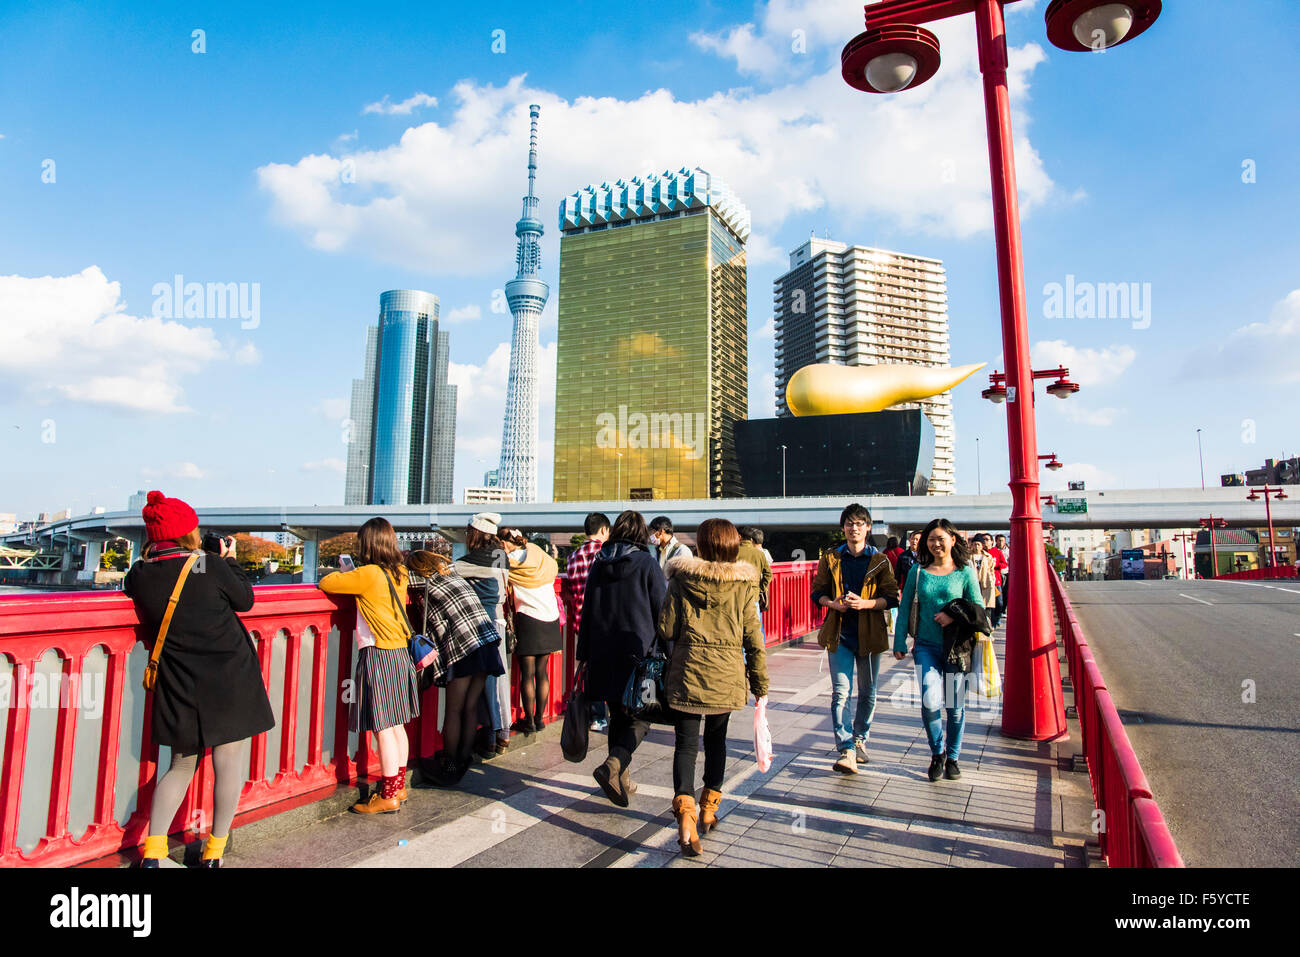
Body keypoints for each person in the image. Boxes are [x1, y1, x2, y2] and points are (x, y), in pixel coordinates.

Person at [126, 491, 275, 868]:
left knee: (180, 764)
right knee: (227, 764)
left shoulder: (140, 575)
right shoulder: (207, 565)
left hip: (179, 681)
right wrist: (228, 560)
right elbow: (245, 600)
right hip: (230, 677)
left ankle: (154, 853)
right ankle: (213, 854)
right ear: (187, 532)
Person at [659, 518, 768, 857]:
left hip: (688, 672)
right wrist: (760, 684)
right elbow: (753, 639)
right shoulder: (744, 585)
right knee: (716, 741)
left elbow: (666, 628)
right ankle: (709, 808)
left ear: (702, 545)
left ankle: (686, 818)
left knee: (686, 745)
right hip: (726, 674)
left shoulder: (680, 579)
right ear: (733, 545)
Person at [318, 518, 420, 813]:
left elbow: (327, 581)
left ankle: (387, 795)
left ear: (368, 544)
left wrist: (347, 571)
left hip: (379, 654)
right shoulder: (398, 571)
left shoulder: (368, 573)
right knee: (397, 725)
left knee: (382, 728)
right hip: (400, 652)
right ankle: (398, 788)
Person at [576, 510, 667, 807]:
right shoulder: (647, 563)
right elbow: (662, 611)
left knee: (617, 714)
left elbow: (587, 609)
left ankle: (622, 779)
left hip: (603, 651)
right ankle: (613, 765)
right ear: (641, 534)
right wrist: (669, 648)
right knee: (642, 717)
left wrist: (584, 654)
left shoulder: (599, 564)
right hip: (639, 654)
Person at [893, 518, 986, 783]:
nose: (935, 544)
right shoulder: (918, 572)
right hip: (925, 645)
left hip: (957, 648)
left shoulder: (965, 571)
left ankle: (953, 758)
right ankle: (938, 753)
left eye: (940, 539)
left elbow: (978, 608)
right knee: (930, 700)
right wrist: (900, 641)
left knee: (955, 708)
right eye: (931, 539)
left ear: (953, 540)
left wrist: (952, 616)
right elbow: (904, 606)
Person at [810, 503, 900, 773]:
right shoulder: (831, 558)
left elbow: (892, 597)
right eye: (849, 523)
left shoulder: (880, 560)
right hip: (840, 633)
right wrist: (832, 604)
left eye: (860, 523)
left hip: (870, 634)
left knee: (868, 692)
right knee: (840, 692)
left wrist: (867, 604)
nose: (854, 528)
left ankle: (860, 739)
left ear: (868, 527)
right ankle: (846, 747)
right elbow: (817, 593)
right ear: (843, 528)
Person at [407, 550, 506, 786]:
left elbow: (403, 583)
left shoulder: (429, 585)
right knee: (470, 707)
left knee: (453, 709)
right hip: (486, 641)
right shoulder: (454, 575)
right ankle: (464, 758)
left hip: (464, 648)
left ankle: (450, 765)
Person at [454, 513, 512, 757]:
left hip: (483, 622)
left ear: (475, 533)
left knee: (486, 680)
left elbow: (450, 570)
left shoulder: (475, 560)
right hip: (500, 617)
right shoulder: (501, 555)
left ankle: (489, 735)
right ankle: (503, 733)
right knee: (500, 680)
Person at [500, 526, 563, 734]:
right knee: (541, 672)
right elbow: (554, 569)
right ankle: (540, 718)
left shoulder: (509, 564)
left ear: (506, 543)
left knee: (527, 674)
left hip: (528, 617)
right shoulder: (540, 556)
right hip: (549, 617)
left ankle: (528, 720)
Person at [565, 512, 612, 732]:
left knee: (589, 669)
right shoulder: (605, 553)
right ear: (603, 530)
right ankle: (608, 713)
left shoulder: (573, 556)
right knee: (610, 667)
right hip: (605, 621)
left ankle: (596, 715)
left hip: (581, 622)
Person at [737, 525, 772, 615]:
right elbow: (768, 574)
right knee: (755, 625)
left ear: (739, 537)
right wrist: (761, 588)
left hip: (737, 595)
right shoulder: (759, 554)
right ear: (751, 538)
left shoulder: (733, 552)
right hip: (754, 594)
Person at [971, 535, 1000, 624]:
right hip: (973, 582)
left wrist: (992, 580)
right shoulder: (968, 556)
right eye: (975, 544)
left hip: (986, 583)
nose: (976, 547)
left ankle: (987, 625)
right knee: (974, 605)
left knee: (987, 606)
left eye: (978, 544)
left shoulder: (988, 556)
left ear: (982, 545)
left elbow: (992, 570)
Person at [895, 531, 922, 598]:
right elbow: (897, 575)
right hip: (907, 591)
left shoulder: (926, 557)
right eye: (913, 539)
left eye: (917, 539)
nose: (914, 541)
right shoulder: (903, 556)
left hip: (922, 591)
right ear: (909, 540)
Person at [991, 533, 1010, 627]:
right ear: (996, 541)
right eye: (999, 540)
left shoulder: (1008, 550)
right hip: (995, 576)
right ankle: (994, 618)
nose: (1001, 542)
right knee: (997, 597)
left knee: (1005, 593)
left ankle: (1001, 612)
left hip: (1006, 573)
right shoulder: (993, 551)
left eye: (1003, 540)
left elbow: (1006, 563)